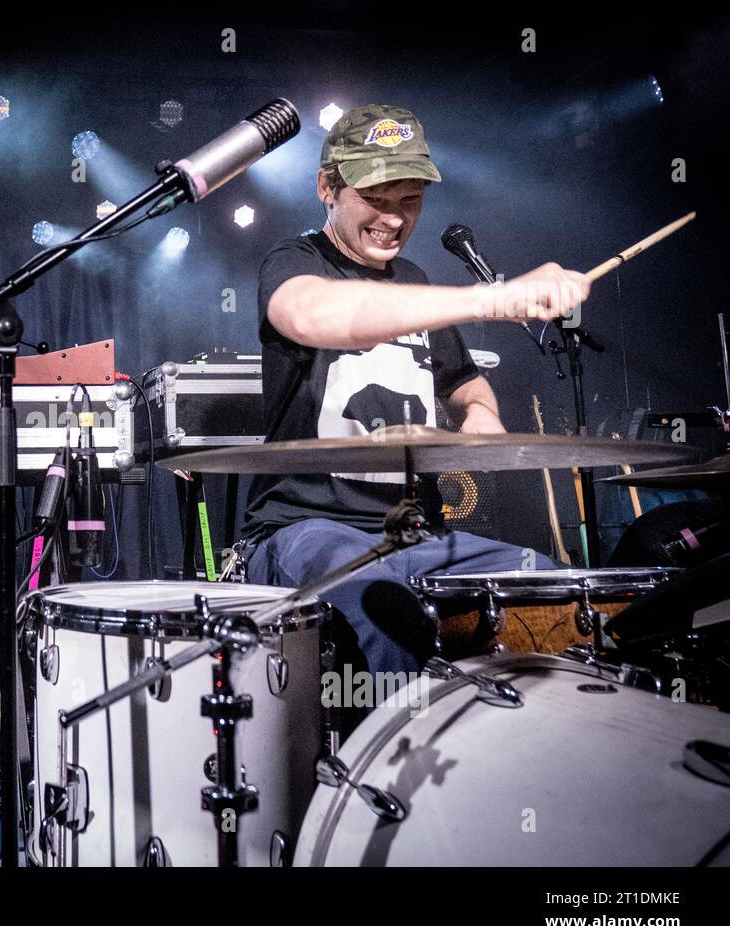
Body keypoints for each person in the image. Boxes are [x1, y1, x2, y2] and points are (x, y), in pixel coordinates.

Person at [240, 105, 592, 685]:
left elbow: (460, 381)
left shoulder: (415, 281)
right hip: (308, 526)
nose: (394, 219)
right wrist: (494, 300)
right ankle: (386, 768)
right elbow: (311, 312)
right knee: (382, 606)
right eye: (376, 197)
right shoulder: (294, 261)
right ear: (328, 187)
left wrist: (482, 414)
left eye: (410, 200)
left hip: (417, 534)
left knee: (550, 589)